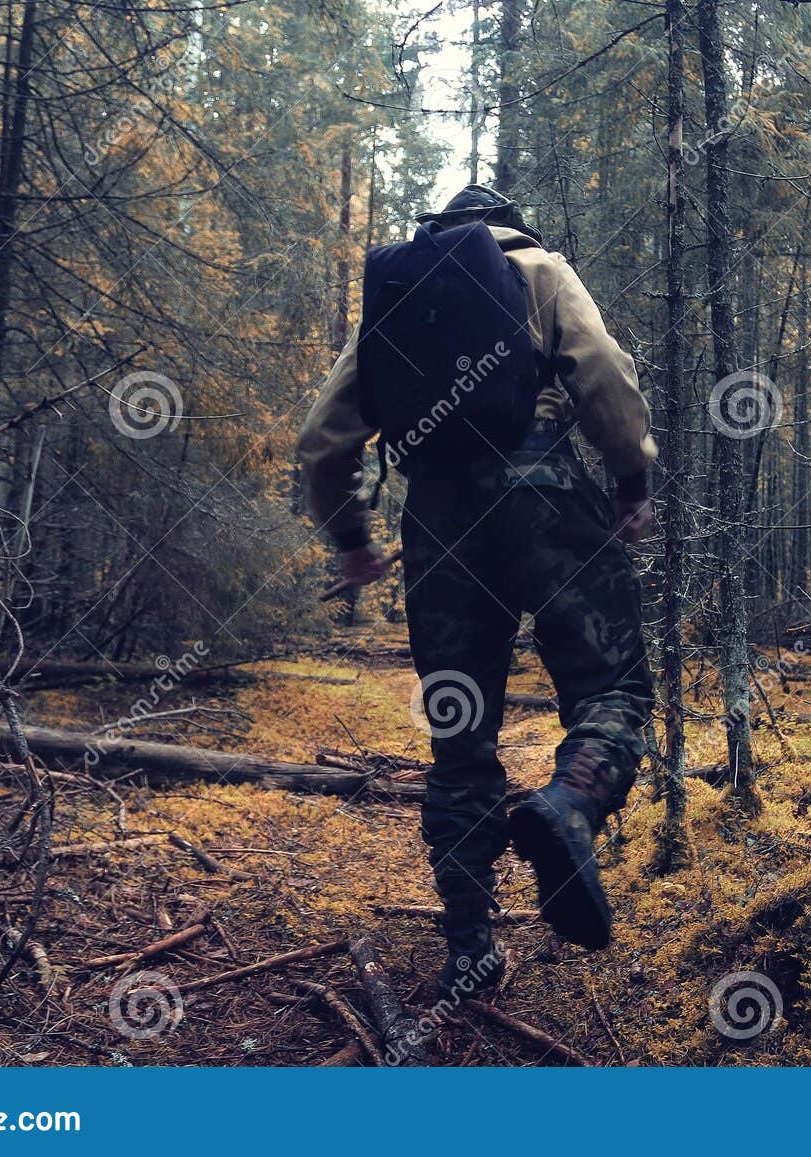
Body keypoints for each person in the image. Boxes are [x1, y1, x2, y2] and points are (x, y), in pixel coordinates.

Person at [296, 184, 657, 996]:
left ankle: (468, 946)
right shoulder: (539, 269)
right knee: (614, 685)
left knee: (459, 733)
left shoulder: (402, 293)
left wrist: (352, 541)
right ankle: (570, 803)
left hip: (439, 518)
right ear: (508, 223)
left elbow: (321, 438)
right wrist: (631, 478)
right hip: (544, 491)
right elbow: (603, 372)